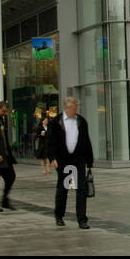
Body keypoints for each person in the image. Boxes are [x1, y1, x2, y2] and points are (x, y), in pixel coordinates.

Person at [48, 97, 94, 229]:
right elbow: (50, 142)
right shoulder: (56, 122)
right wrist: (52, 158)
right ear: (67, 108)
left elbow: (87, 142)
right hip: (64, 161)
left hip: (78, 160)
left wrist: (89, 162)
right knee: (64, 189)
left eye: (76, 108)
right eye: (74, 108)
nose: (76, 110)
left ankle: (82, 219)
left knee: (81, 189)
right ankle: (59, 216)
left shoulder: (81, 121)